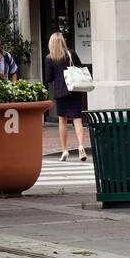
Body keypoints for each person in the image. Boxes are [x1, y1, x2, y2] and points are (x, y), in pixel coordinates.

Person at [44, 32, 88, 162]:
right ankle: (81, 146)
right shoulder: (71, 53)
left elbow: (48, 78)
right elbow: (80, 67)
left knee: (62, 121)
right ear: (63, 41)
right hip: (74, 90)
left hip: (60, 92)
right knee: (77, 119)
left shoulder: (49, 58)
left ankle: (64, 150)